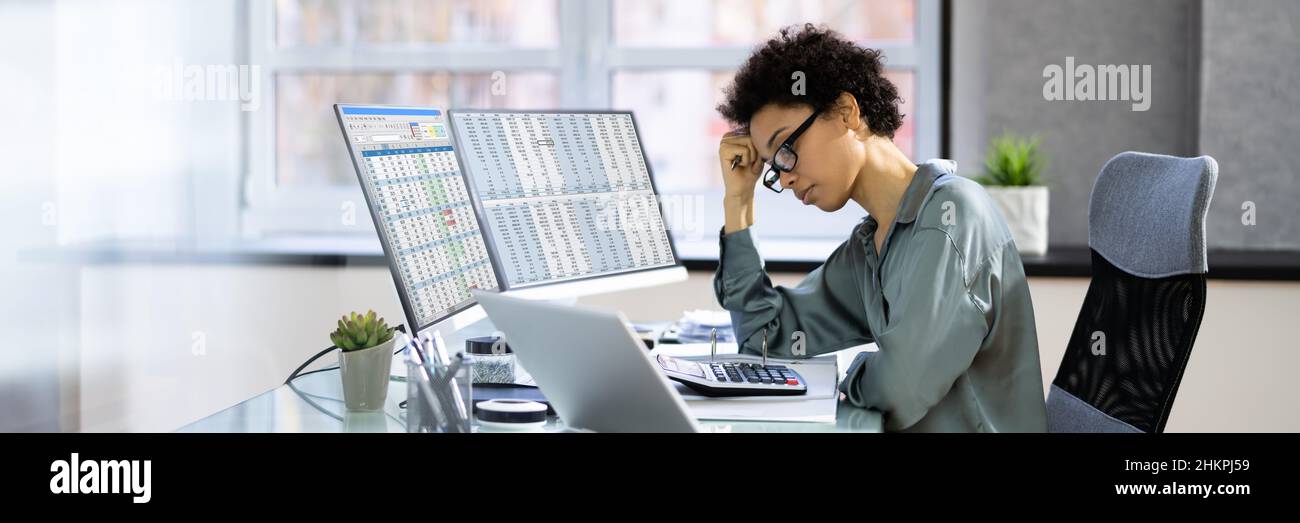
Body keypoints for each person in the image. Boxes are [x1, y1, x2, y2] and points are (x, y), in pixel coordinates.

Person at [713, 24, 1047, 432]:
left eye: (786, 150)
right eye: (773, 168)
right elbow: (765, 338)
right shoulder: (870, 247)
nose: (783, 179)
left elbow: (901, 384)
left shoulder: (953, 217)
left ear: (846, 112)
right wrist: (739, 200)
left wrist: (845, 377)